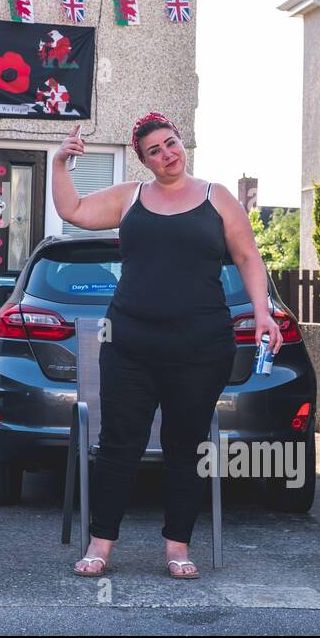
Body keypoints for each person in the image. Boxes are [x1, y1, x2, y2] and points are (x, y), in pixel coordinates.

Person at [52, 115, 281, 579]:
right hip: (130, 346)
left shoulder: (218, 198)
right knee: (119, 443)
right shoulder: (129, 198)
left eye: (170, 143)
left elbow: (248, 256)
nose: (166, 154)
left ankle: (178, 547)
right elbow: (72, 209)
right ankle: (100, 545)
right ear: (143, 160)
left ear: (181, 143)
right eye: (154, 150)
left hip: (201, 348)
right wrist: (59, 162)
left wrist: (262, 312)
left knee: (186, 445)